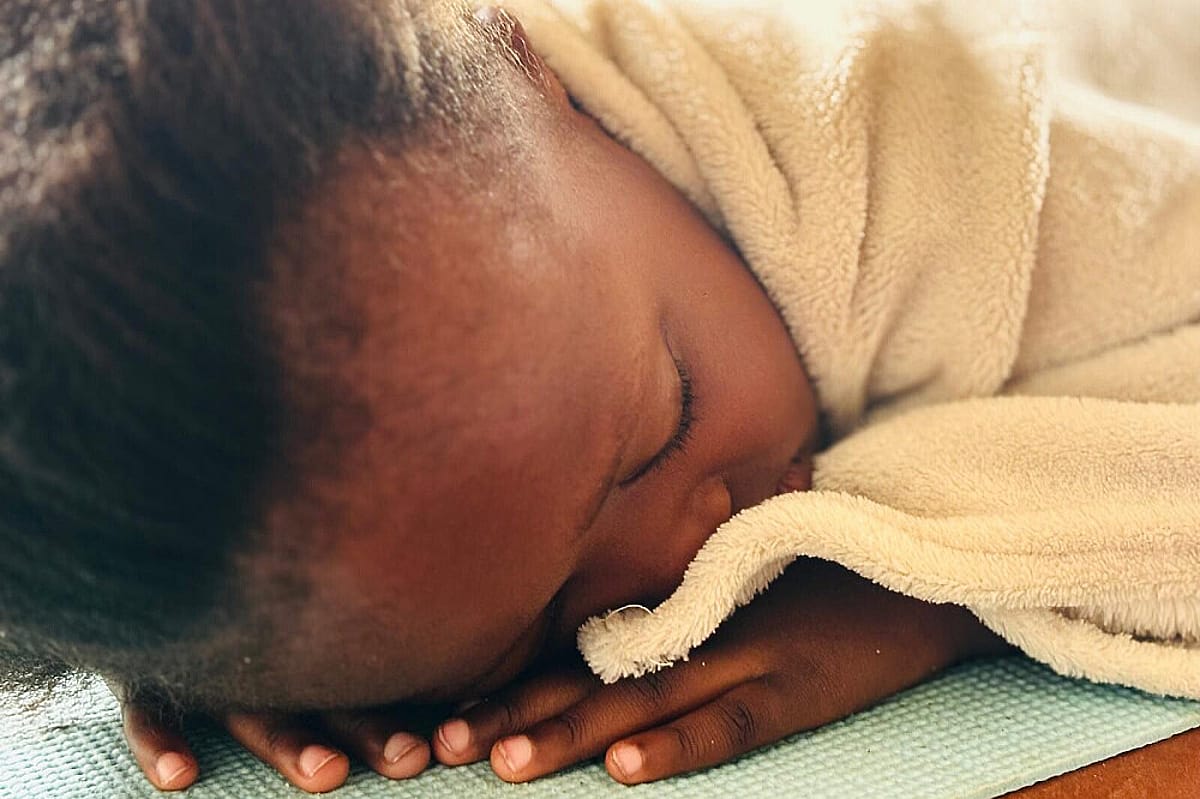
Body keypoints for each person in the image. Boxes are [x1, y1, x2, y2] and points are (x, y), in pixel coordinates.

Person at [2, 0, 1197, 794]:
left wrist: (933, 579)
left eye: (668, 418)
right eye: (525, 631)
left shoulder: (902, 138)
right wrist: (213, 649)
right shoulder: (303, 457)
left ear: (533, 70)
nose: (694, 546)